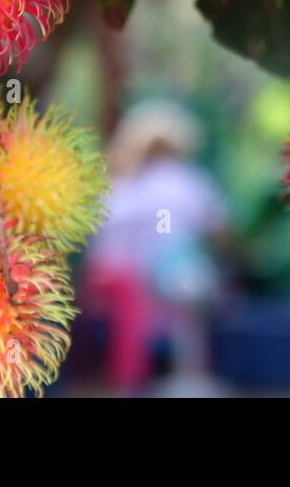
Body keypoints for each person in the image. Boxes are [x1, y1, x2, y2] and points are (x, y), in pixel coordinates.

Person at [82, 100, 229, 395]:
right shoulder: (186, 181)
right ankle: (188, 377)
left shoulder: (122, 185)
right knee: (190, 296)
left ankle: (144, 382)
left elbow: (100, 238)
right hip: (156, 281)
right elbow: (219, 229)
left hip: (125, 281)